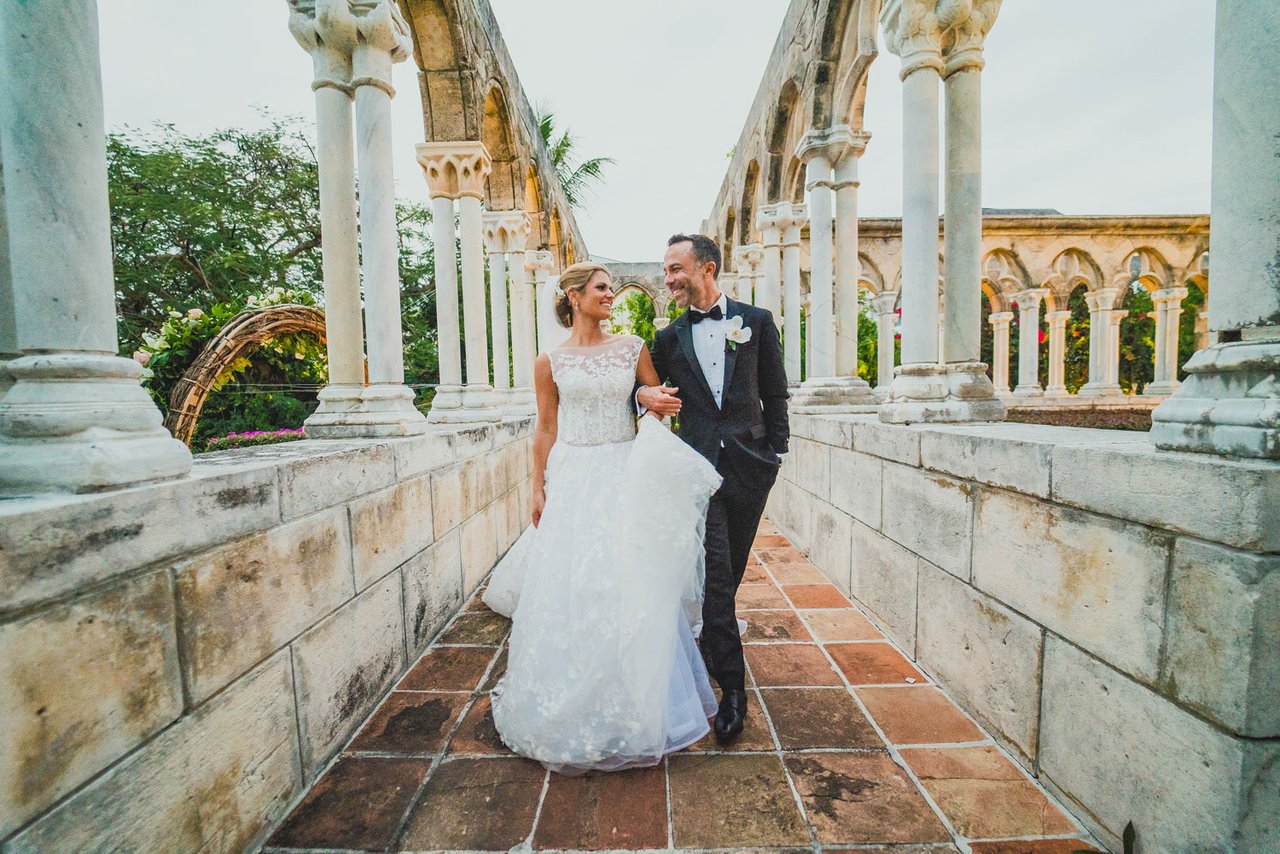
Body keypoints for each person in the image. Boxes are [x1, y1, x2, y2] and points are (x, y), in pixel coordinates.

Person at [485, 261, 721, 774]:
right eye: (600, 289)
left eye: (611, 289)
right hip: (572, 475)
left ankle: (634, 697)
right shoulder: (549, 361)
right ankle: (572, 689)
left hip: (622, 471)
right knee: (574, 585)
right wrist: (538, 486)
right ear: (573, 296)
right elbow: (545, 428)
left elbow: (656, 408)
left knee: (626, 581)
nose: (610, 296)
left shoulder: (633, 347)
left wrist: (645, 397)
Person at [636, 234, 789, 743]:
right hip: (699, 471)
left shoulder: (757, 321)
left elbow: (774, 391)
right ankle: (733, 691)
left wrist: (776, 452)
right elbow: (640, 393)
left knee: (732, 569)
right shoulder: (668, 338)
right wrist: (643, 395)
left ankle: (713, 643)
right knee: (719, 578)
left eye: (676, 268)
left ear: (708, 268)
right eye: (665, 270)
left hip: (751, 465)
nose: (669, 280)